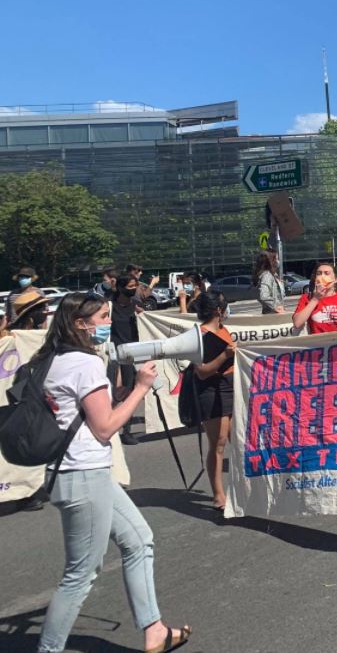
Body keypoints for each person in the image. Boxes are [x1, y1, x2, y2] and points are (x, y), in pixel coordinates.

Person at [36, 292, 191, 653]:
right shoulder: (84, 363)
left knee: (138, 540)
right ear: (80, 324)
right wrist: (139, 388)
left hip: (77, 473)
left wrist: (120, 392)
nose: (109, 322)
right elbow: (105, 428)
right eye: (103, 317)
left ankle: (154, 630)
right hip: (84, 474)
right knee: (80, 574)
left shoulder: (54, 359)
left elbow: (87, 413)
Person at [190, 291, 236, 510]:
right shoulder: (198, 336)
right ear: (218, 310)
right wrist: (225, 356)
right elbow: (202, 371)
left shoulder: (224, 330)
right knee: (218, 443)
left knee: (238, 439)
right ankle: (218, 494)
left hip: (231, 388)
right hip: (210, 391)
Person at [109, 274, 143, 445]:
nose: (133, 289)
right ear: (121, 287)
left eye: (134, 286)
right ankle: (107, 423)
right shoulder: (109, 307)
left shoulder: (135, 307)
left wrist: (143, 317)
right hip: (114, 355)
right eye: (130, 286)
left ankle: (126, 430)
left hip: (131, 354)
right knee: (113, 392)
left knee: (129, 391)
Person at [292, 263, 337, 333]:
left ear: (335, 280)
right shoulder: (307, 298)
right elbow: (297, 323)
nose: (322, 276)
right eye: (319, 274)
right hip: (319, 342)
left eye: (326, 273)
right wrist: (315, 299)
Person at [253, 250, 286, 314]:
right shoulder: (267, 275)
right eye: (276, 259)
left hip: (275, 313)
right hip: (272, 314)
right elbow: (263, 296)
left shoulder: (273, 275)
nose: (278, 261)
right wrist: (275, 307)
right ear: (271, 261)